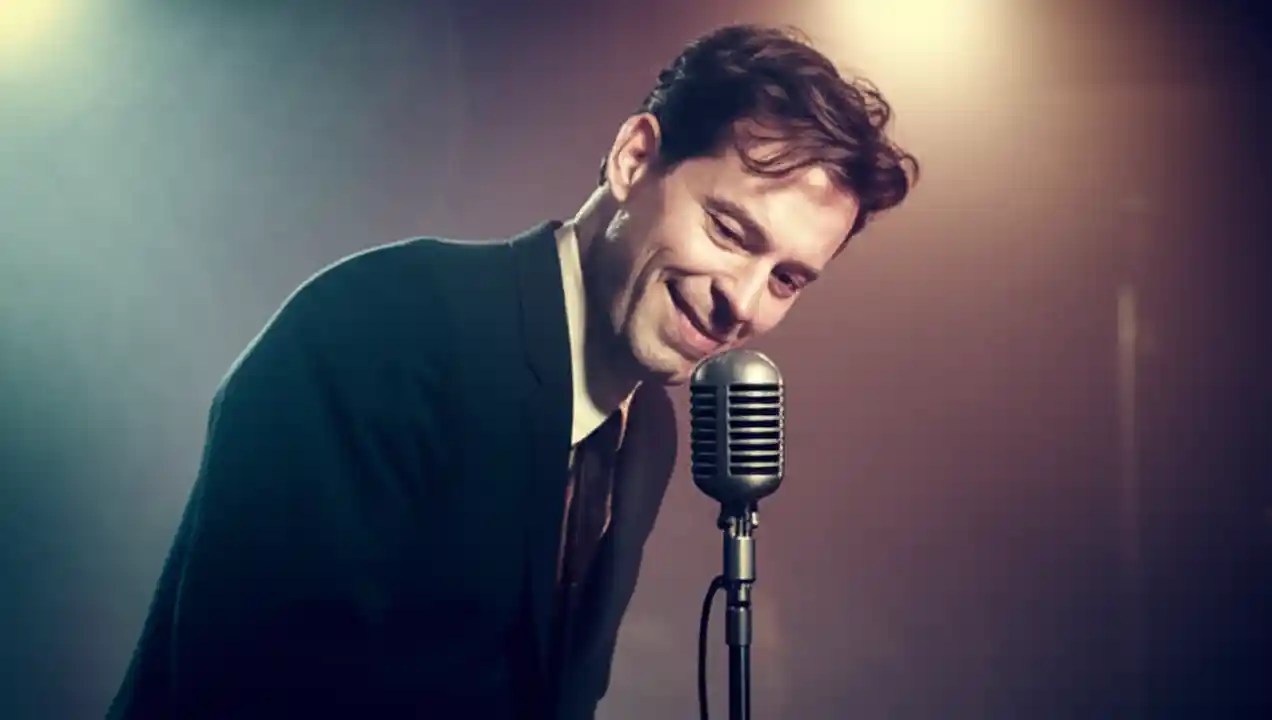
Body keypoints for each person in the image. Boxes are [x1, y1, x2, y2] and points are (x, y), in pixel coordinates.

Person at [107, 22, 918, 720]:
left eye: (787, 279)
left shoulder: (649, 434)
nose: (742, 303)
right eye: (732, 231)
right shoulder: (385, 324)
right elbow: (249, 689)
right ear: (635, 160)